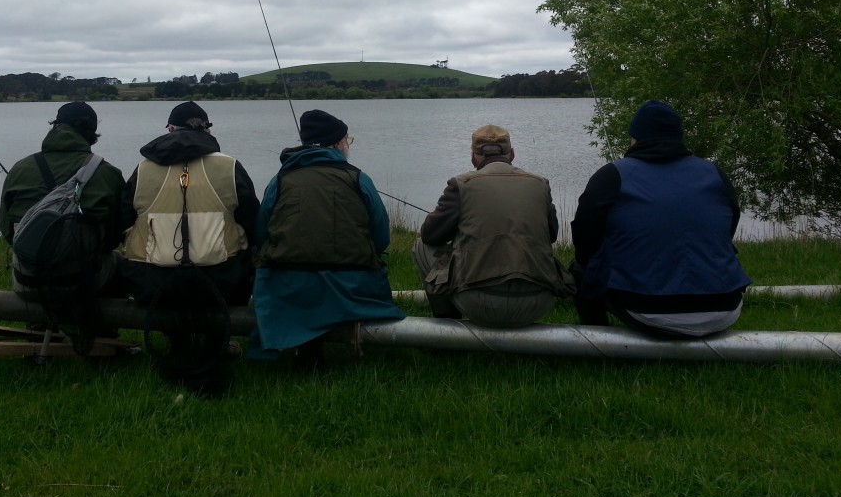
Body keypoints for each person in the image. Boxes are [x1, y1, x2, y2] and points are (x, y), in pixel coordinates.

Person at [570, 99, 751, 338]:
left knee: (580, 268)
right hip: (724, 306)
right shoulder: (715, 173)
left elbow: (584, 240)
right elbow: (728, 229)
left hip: (644, 308)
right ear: (679, 137)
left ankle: (597, 339)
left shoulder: (611, 174)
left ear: (634, 138)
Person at [249, 109, 404, 367]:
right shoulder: (359, 179)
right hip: (353, 286)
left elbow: (260, 234)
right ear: (337, 143)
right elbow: (382, 238)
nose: (348, 145)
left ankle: (301, 340)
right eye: (347, 140)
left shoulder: (280, 180)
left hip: (287, 286)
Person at [415, 124, 575, 327]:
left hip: (477, 304)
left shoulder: (460, 184)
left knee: (421, 245)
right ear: (512, 154)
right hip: (539, 302)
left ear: (473, 158)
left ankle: (448, 325)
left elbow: (430, 236)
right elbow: (551, 235)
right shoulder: (540, 184)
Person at [120, 101, 259, 311]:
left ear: (170, 129)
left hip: (151, 281)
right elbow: (252, 221)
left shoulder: (142, 170)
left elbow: (123, 220)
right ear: (208, 130)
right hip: (222, 280)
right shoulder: (229, 166)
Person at [0, 101, 126, 300]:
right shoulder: (108, 173)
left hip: (27, 282)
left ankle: (35, 319)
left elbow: (7, 229)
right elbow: (114, 236)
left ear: (55, 126)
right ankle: (103, 319)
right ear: (92, 134)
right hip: (82, 282)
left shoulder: (19, 168)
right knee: (119, 261)